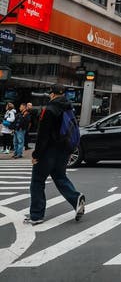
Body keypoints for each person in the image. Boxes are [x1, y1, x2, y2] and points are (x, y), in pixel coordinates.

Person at [25, 84, 86, 226]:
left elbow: (43, 136)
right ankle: (76, 197)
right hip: (64, 150)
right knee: (60, 177)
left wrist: (36, 154)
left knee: (37, 182)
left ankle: (36, 215)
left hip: (48, 151)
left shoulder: (50, 109)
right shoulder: (69, 108)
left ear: (51, 94)